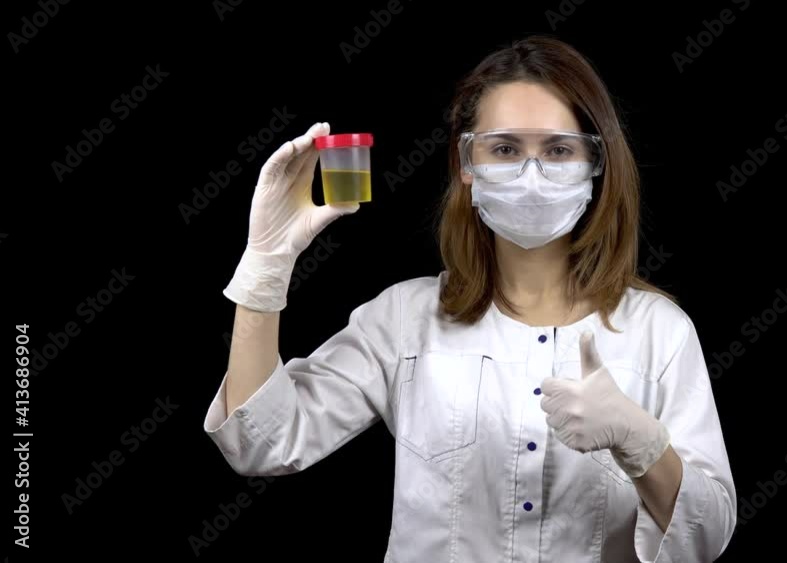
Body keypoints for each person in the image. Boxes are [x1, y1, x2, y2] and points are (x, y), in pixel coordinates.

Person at [203, 35, 737, 562]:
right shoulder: (404, 320)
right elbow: (261, 442)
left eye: (558, 149)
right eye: (504, 149)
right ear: (466, 163)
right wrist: (265, 268)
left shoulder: (660, 333)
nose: (532, 174)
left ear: (595, 164)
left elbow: (706, 538)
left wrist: (642, 445)